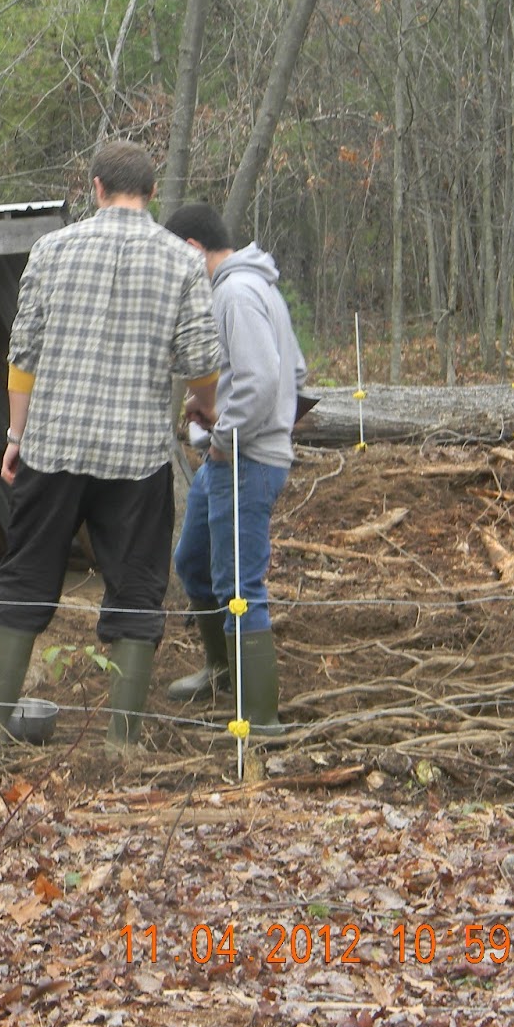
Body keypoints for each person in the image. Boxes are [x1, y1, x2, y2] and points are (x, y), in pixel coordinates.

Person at [0, 140, 220, 752]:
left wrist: (15, 436)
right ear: (151, 194)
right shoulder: (181, 261)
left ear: (95, 188)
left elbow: (24, 353)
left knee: (25, 578)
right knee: (137, 586)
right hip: (137, 457)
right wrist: (204, 404)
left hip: (55, 447)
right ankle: (121, 742)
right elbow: (202, 359)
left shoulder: (52, 249)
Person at [161, 202, 307, 734]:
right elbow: (292, 370)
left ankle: (259, 720)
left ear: (194, 250)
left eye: (178, 262)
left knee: (239, 586)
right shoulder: (249, 288)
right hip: (231, 457)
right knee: (193, 562)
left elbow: (263, 382)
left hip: (244, 459)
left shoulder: (235, 294)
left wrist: (223, 436)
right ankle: (221, 671)